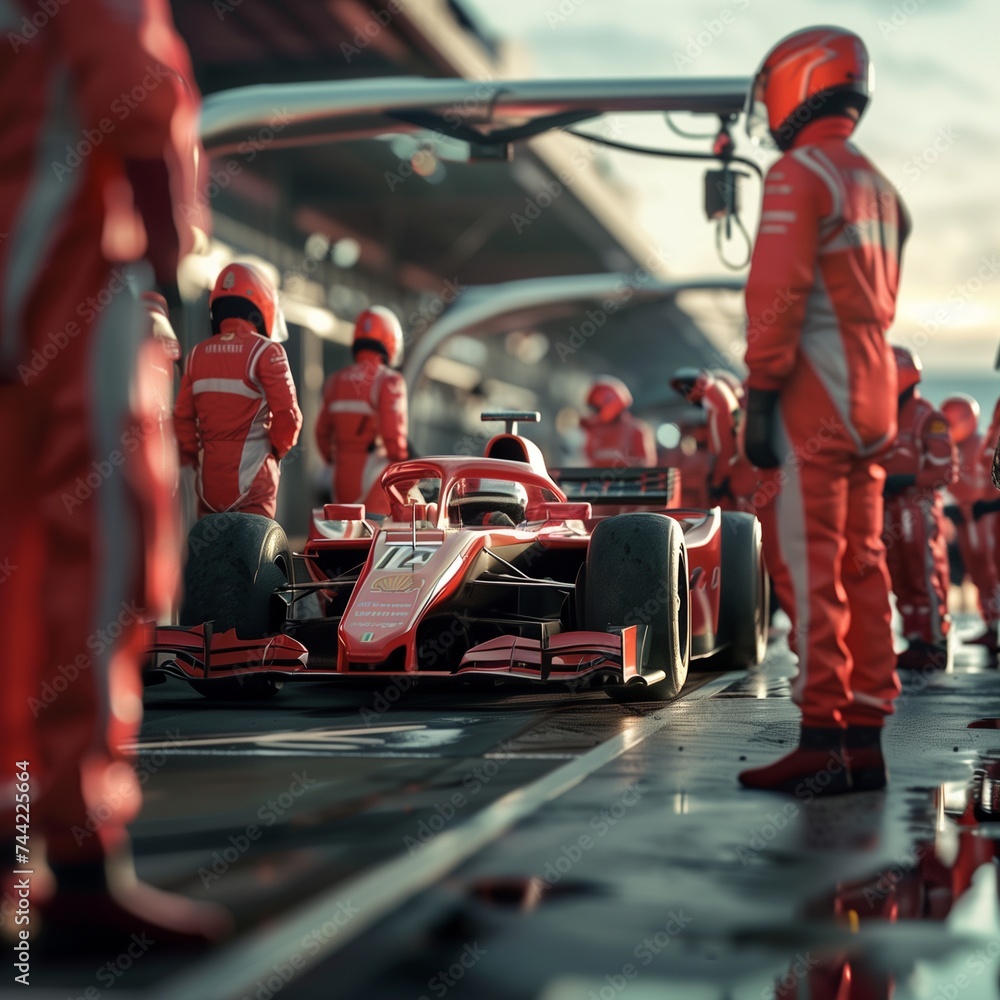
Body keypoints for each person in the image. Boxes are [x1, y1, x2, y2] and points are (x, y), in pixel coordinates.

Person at [0, 0, 230, 951]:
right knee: (94, 564)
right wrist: (172, 265)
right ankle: (78, 851)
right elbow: (141, 96)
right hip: (60, 288)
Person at [736, 26, 910, 795]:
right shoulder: (879, 185)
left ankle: (821, 737)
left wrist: (762, 390)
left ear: (797, 83)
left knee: (808, 565)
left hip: (820, 388)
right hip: (873, 384)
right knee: (863, 563)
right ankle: (865, 738)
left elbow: (776, 293)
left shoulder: (798, 174)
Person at [175, 262, 302, 519]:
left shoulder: (196, 355)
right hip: (254, 482)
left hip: (207, 484)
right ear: (262, 304)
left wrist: (194, 458)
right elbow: (288, 416)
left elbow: (181, 419)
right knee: (259, 544)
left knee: (208, 543)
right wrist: (275, 452)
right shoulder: (268, 352)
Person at [880, 347, 957, 669]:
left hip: (919, 508)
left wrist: (906, 480)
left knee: (923, 573)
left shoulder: (929, 418)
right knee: (898, 575)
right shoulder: (880, 417)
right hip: (887, 506)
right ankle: (914, 641)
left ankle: (934, 643)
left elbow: (945, 472)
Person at [315, 307, 409, 517]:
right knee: (379, 533)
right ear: (391, 340)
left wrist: (337, 461)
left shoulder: (335, 381)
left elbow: (321, 435)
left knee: (343, 533)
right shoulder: (389, 380)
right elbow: (394, 442)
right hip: (374, 484)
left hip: (339, 484)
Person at [941, 393, 1000, 650]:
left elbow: (985, 485)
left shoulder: (977, 446)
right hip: (969, 518)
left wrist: (980, 507)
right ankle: (991, 626)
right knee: (978, 574)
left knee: (990, 571)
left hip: (983, 517)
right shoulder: (962, 448)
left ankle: (995, 626)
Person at [579, 375, 656, 470]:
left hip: (626, 479)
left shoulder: (636, 430)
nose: (594, 414)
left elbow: (645, 465)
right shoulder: (592, 429)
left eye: (596, 409)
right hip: (595, 479)